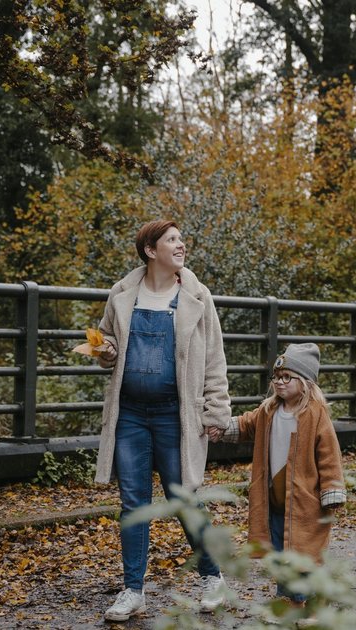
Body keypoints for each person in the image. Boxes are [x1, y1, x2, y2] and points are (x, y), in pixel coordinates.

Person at [93, 219, 232, 622]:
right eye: (172, 240)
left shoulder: (197, 296)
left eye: (181, 238)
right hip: (130, 416)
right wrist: (107, 351)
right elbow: (107, 339)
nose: (181, 244)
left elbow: (214, 359)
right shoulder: (122, 293)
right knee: (133, 504)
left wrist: (216, 410)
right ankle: (132, 591)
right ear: (151, 251)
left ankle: (213, 578)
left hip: (177, 415)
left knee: (183, 497)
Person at [208, 343, 346, 615]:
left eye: (287, 377)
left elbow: (329, 454)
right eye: (277, 377)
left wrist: (332, 488)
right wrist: (221, 428)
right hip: (274, 499)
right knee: (281, 553)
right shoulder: (268, 410)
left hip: (305, 502)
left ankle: (301, 601)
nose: (280, 382)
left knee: (304, 553)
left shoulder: (315, 414)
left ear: (304, 382)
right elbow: (246, 424)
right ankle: (293, 598)